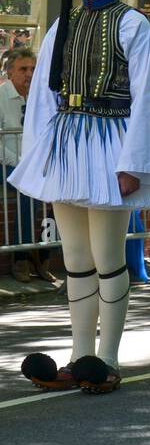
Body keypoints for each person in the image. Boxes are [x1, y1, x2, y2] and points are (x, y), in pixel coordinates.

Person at [14, 0, 150, 392]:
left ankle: (107, 358)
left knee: (109, 258)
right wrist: (43, 156)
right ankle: (79, 356)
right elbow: (45, 99)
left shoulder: (133, 25)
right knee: (75, 260)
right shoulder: (62, 25)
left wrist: (136, 162)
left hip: (112, 146)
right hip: (68, 145)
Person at [2, 47, 56, 282]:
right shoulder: (2, 97)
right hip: (7, 163)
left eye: (33, 69)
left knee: (59, 192)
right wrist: (22, 164)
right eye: (23, 69)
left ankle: (44, 256)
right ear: (10, 72)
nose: (30, 74)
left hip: (32, 165)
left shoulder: (40, 98)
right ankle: (20, 258)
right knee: (28, 191)